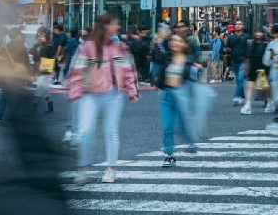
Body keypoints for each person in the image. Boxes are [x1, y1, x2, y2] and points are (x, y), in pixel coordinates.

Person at [66, 13, 140, 185]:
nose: (118, 27)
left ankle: (111, 169)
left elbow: (129, 69)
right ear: (107, 26)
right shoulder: (87, 47)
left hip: (113, 93)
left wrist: (132, 90)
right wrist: (75, 91)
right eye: (116, 24)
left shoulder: (120, 46)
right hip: (89, 94)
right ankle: (83, 169)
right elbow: (77, 70)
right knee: (85, 131)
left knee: (111, 131)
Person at [151, 33, 196, 168]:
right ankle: (169, 155)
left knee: (183, 125)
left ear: (183, 44)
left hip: (182, 95)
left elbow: (192, 81)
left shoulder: (189, 60)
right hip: (167, 95)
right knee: (167, 127)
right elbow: (154, 56)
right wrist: (158, 42)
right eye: (172, 41)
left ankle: (190, 140)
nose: (174, 43)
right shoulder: (166, 57)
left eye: (177, 41)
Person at [0, 28, 32, 124]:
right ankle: (7, 117)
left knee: (5, 96)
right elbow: (26, 63)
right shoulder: (23, 47)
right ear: (18, 35)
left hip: (7, 75)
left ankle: (0, 117)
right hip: (18, 75)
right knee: (9, 96)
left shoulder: (6, 47)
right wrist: (29, 76)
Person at [241, 28, 269, 114]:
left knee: (264, 88)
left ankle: (269, 103)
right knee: (249, 86)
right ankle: (248, 105)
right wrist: (246, 67)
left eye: (260, 32)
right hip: (252, 66)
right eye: (257, 32)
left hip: (262, 67)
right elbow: (247, 57)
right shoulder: (250, 43)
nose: (258, 34)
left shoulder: (266, 44)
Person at [31, 29, 56, 114]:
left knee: (40, 86)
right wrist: (36, 44)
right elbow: (31, 52)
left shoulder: (49, 44)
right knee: (44, 88)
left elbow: (51, 54)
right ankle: (50, 105)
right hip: (38, 67)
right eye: (39, 35)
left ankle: (34, 105)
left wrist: (44, 43)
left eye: (42, 35)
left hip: (45, 68)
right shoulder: (38, 45)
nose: (40, 37)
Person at [263, 24, 278, 115]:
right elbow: (266, 60)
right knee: (276, 91)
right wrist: (271, 56)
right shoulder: (272, 43)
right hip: (276, 69)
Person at [227, 21, 250, 107]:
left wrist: (248, 61)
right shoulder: (231, 37)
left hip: (243, 60)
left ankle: (237, 97)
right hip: (234, 60)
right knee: (238, 81)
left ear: (243, 26)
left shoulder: (247, 37)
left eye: (240, 24)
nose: (238, 26)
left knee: (240, 79)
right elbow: (228, 47)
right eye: (236, 24)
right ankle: (243, 97)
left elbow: (250, 48)